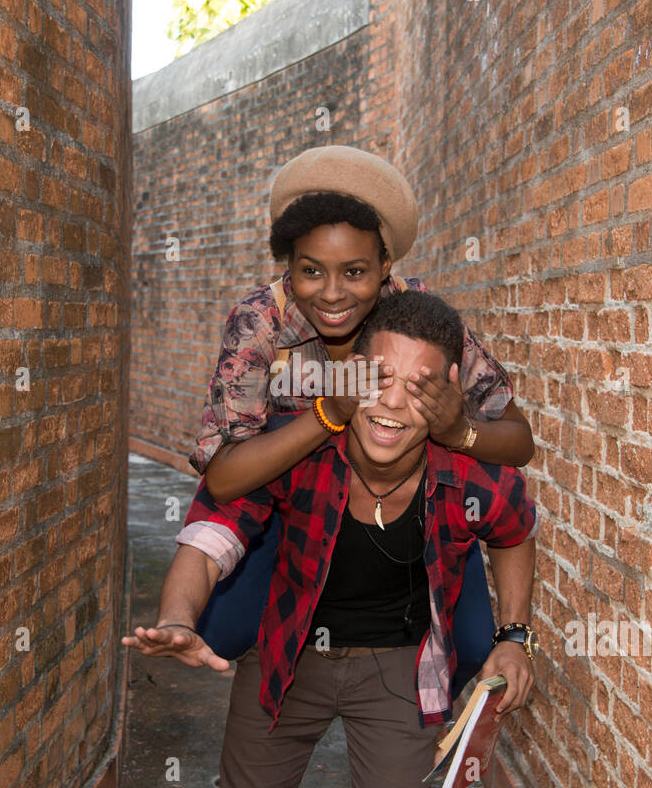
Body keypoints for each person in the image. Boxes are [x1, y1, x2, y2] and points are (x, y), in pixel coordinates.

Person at [124, 291, 539, 788]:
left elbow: (514, 530)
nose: (391, 404)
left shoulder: (465, 473)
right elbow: (213, 535)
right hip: (287, 653)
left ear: (451, 398)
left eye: (420, 390)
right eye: (379, 381)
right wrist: (178, 618)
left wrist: (515, 636)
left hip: (401, 669)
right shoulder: (299, 450)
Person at [185, 146, 534, 693]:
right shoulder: (259, 323)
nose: (332, 293)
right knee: (220, 629)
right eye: (310, 271)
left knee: (470, 645)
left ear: (385, 267)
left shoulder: (420, 316)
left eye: (354, 272)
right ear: (289, 265)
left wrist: (456, 431)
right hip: (294, 501)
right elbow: (224, 477)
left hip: (409, 502)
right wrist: (328, 414)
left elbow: (519, 442)